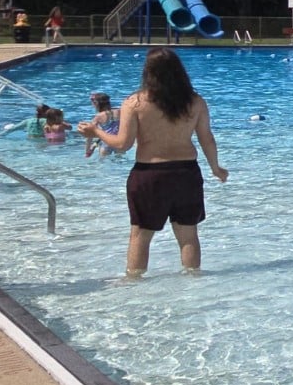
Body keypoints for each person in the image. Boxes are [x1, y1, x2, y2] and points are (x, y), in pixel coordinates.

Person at [77, 47, 228, 278]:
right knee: (188, 235)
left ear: (148, 72)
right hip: (186, 173)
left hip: (149, 175)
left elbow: (122, 144)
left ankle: (134, 283)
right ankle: (194, 282)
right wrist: (215, 168)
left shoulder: (135, 103)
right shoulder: (195, 102)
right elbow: (206, 138)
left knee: (140, 235)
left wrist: (95, 131)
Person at [84, 91, 119, 157]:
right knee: (121, 161)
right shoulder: (119, 111)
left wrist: (87, 151)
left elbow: (89, 135)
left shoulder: (98, 117)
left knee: (102, 162)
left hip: (106, 144)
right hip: (119, 142)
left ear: (97, 104)